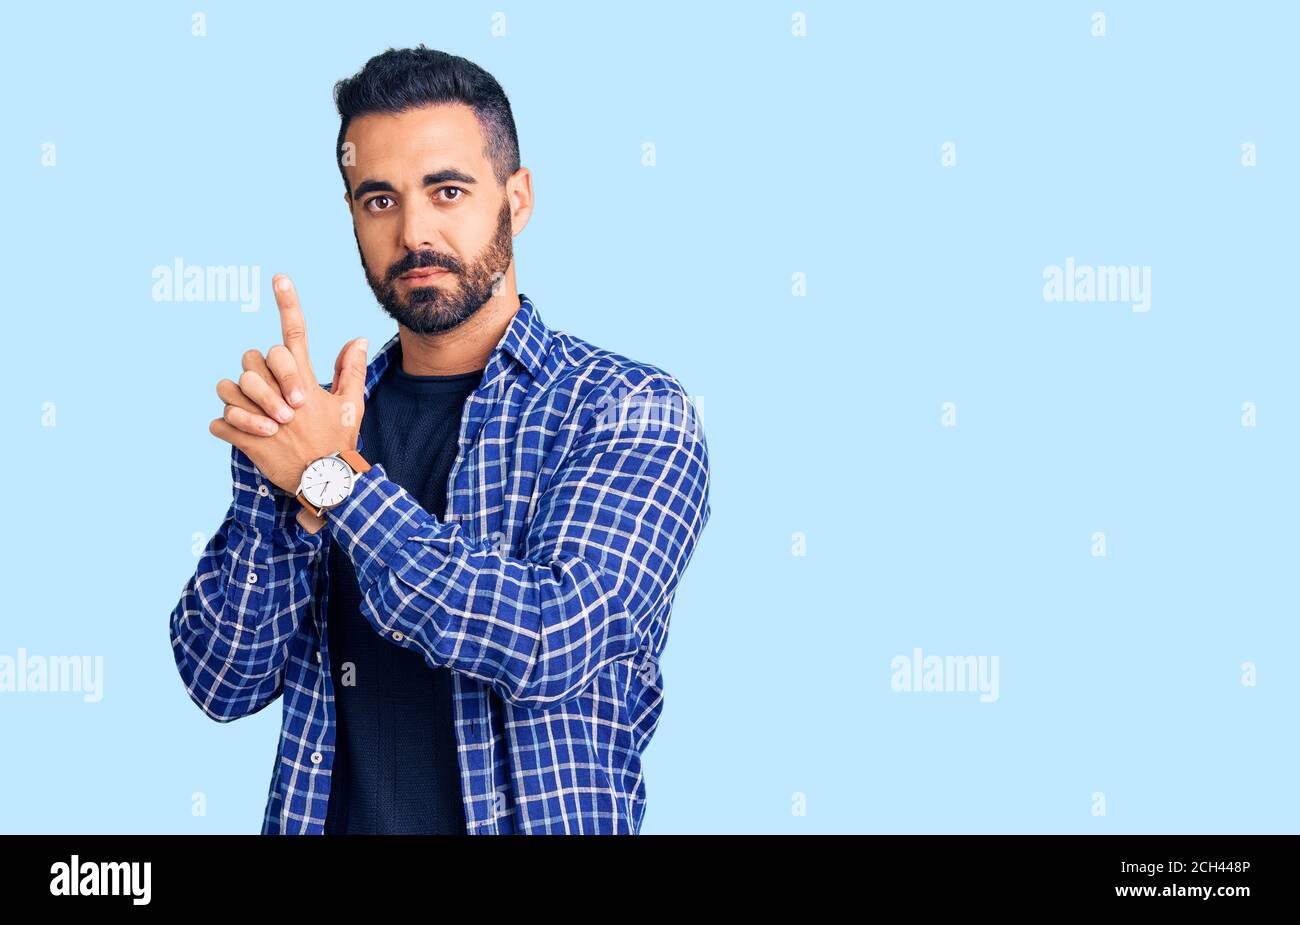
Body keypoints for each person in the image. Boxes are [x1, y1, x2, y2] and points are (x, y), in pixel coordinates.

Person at [168, 45, 711, 835]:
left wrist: (334, 482)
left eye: (447, 191)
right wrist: (279, 495)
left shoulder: (630, 408)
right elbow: (222, 680)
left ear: (516, 199)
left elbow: (549, 639)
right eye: (379, 200)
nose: (414, 232)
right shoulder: (317, 423)